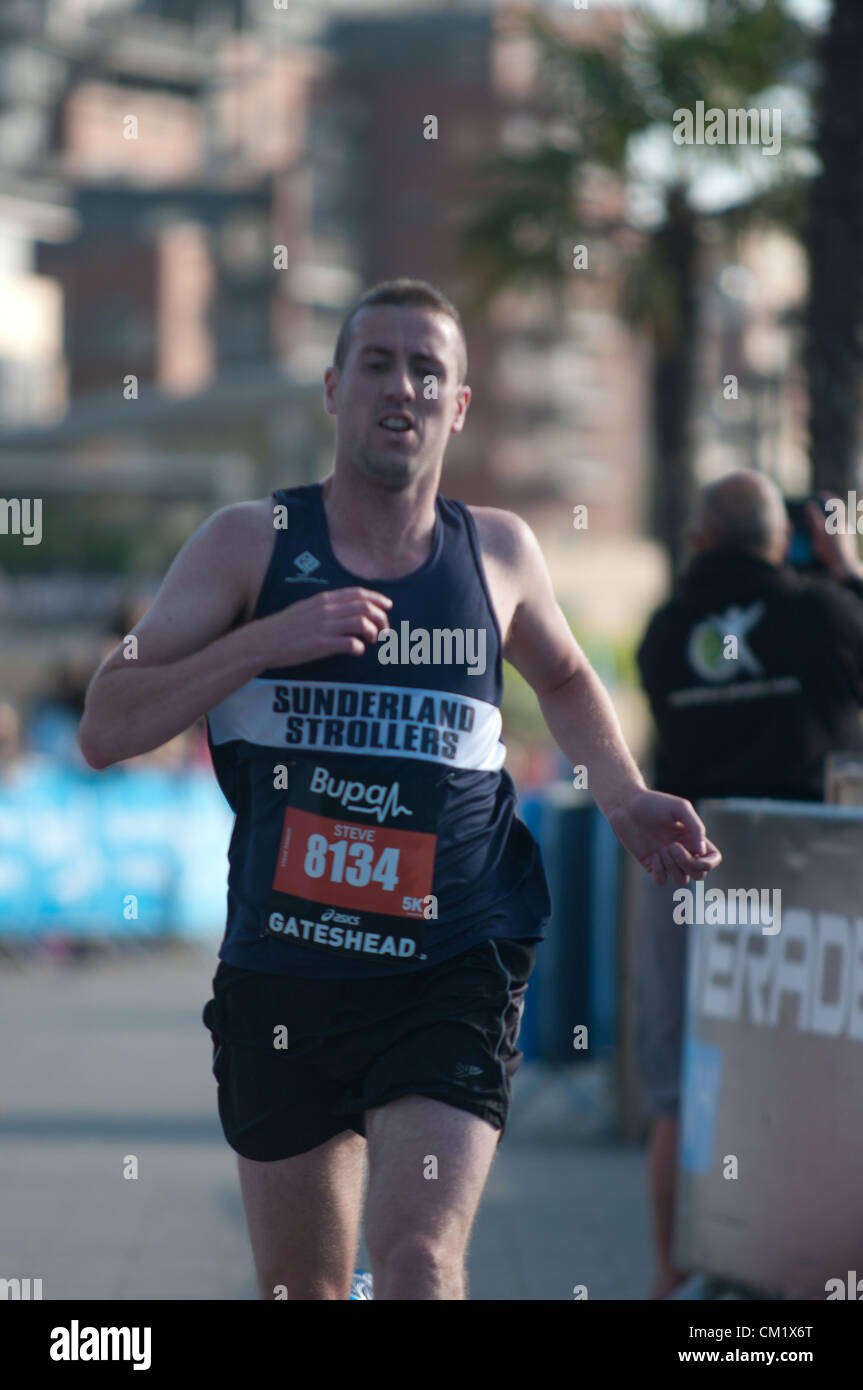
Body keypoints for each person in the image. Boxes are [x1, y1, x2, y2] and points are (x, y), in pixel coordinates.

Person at [78, 277, 721, 1301]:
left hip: (449, 965)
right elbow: (107, 722)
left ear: (458, 405)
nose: (402, 386)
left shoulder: (497, 550)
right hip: (284, 969)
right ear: (334, 390)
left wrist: (623, 794)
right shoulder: (250, 543)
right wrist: (265, 640)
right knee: (305, 1287)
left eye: (428, 370)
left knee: (420, 1262)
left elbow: (558, 673)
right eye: (377, 362)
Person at [635, 468, 863, 1299]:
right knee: (811, 1076)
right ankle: (805, 1275)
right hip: (806, 888)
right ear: (782, 541)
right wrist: (843, 572)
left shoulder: (665, 632)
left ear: (696, 542)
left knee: (677, 1087)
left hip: (688, 876)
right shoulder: (823, 613)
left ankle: (670, 1277)